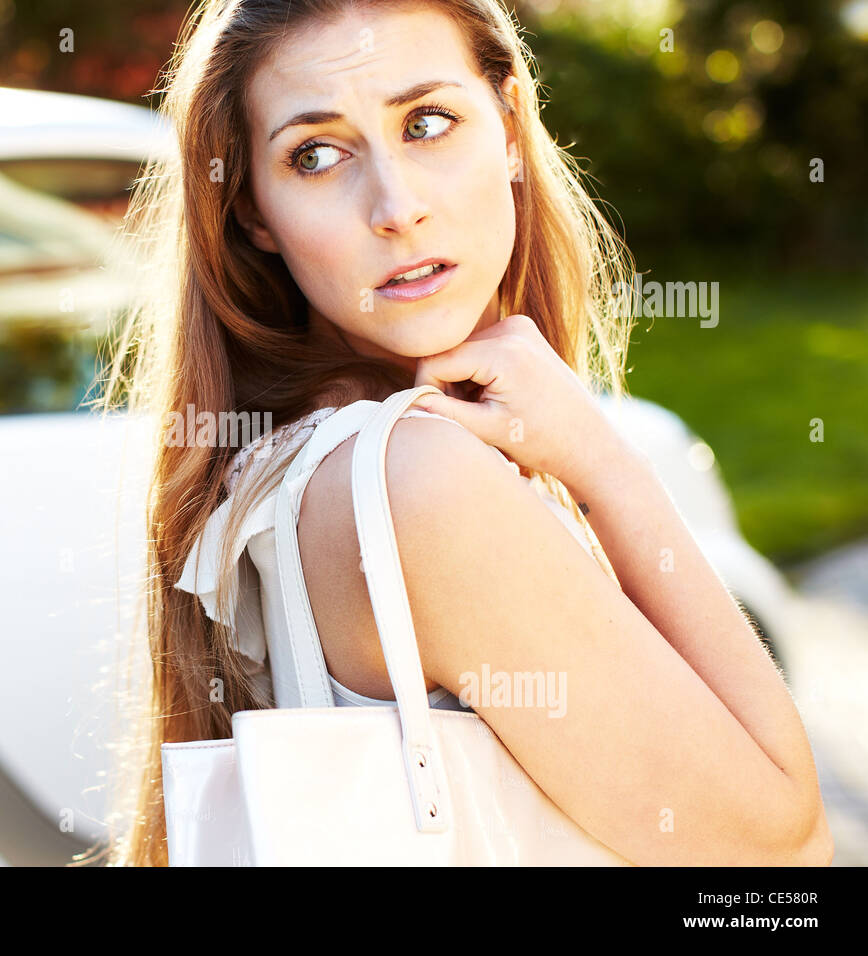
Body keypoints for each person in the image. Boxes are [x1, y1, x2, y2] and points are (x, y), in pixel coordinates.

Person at [82, 0, 833, 867]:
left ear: (509, 128)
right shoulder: (418, 481)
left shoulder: (275, 466)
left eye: (428, 121)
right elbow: (780, 852)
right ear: (253, 214)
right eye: (316, 156)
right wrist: (605, 463)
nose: (397, 208)